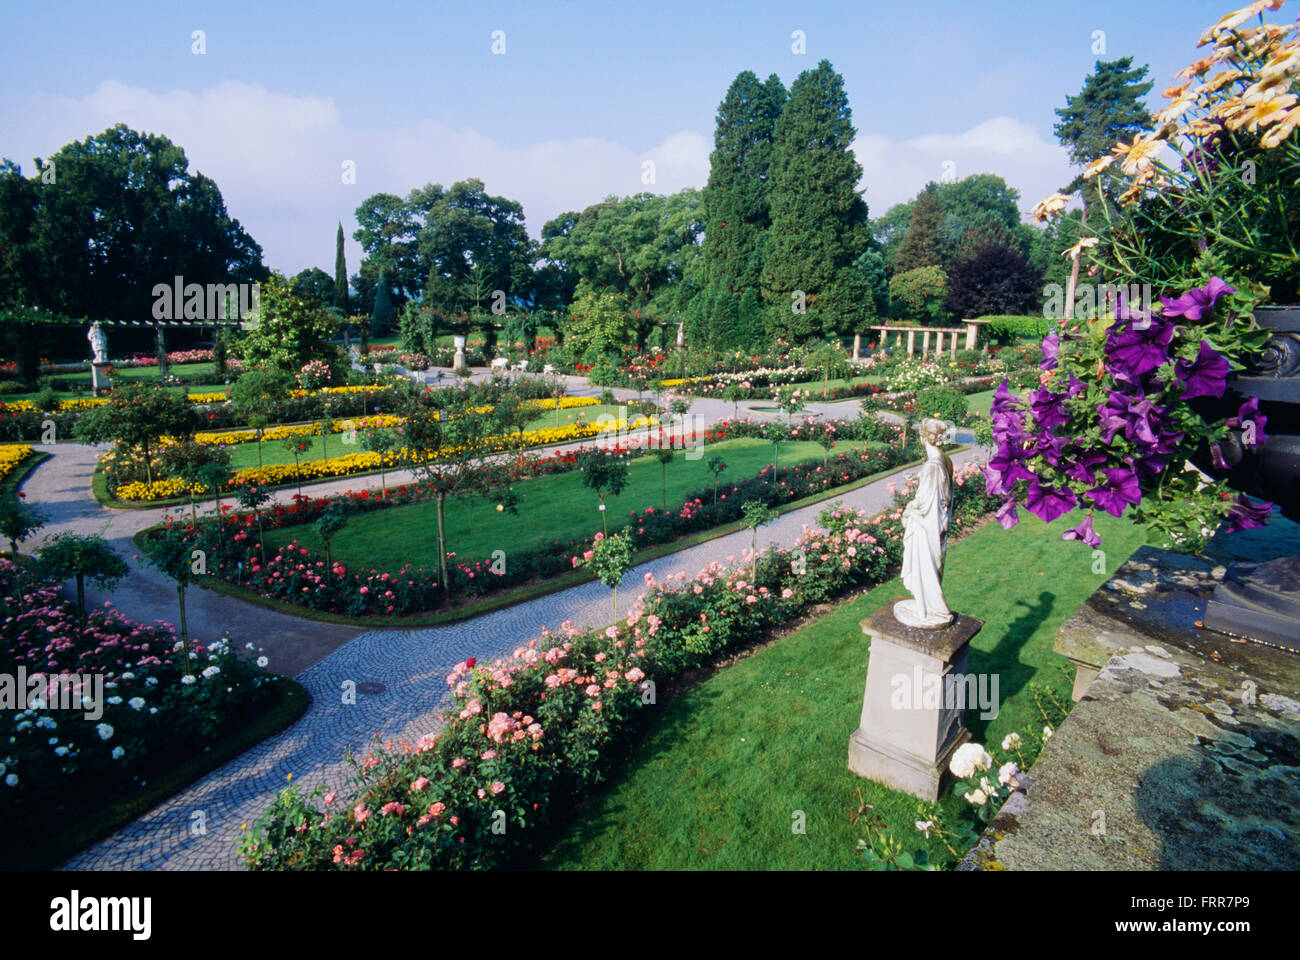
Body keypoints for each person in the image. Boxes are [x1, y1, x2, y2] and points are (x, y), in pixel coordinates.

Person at [894, 418, 955, 628]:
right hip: (936, 524)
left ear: (923, 437)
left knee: (925, 566)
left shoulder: (932, 466)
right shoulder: (943, 459)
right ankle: (925, 605)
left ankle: (929, 609)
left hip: (925, 526)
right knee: (931, 566)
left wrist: (908, 511)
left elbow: (924, 505)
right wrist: (918, 478)